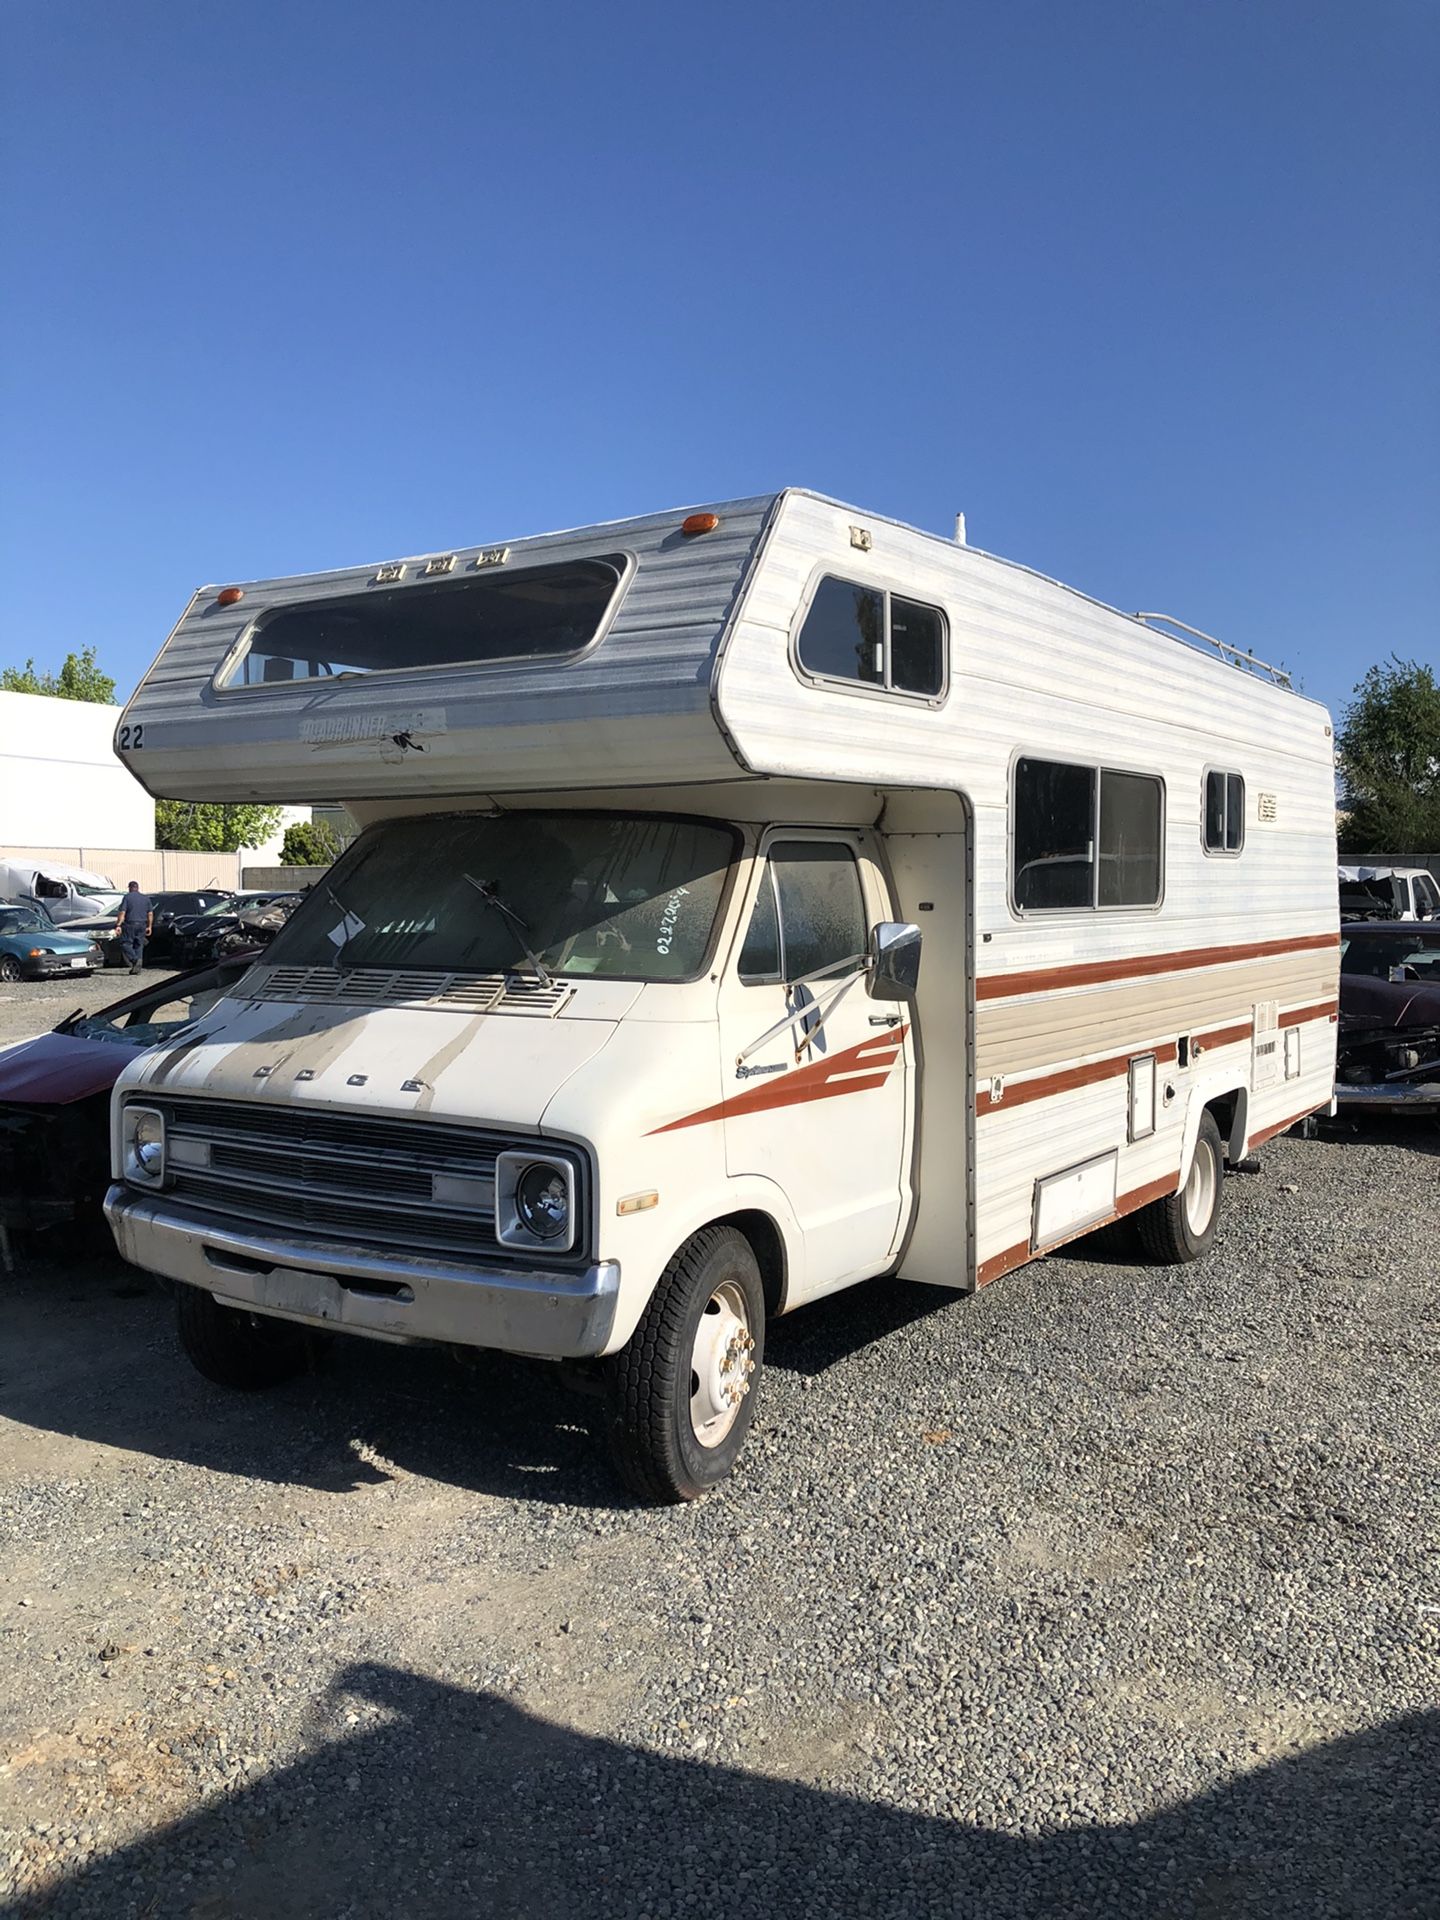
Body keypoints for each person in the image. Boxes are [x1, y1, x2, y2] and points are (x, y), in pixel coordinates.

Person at [114, 880, 154, 974]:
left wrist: (118, 925)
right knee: (139, 945)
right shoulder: (145, 898)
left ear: (130, 888)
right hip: (142, 924)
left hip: (130, 924)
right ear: (137, 888)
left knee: (125, 943)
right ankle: (137, 967)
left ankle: (135, 959)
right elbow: (150, 914)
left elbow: (122, 912)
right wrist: (149, 926)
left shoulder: (127, 897)